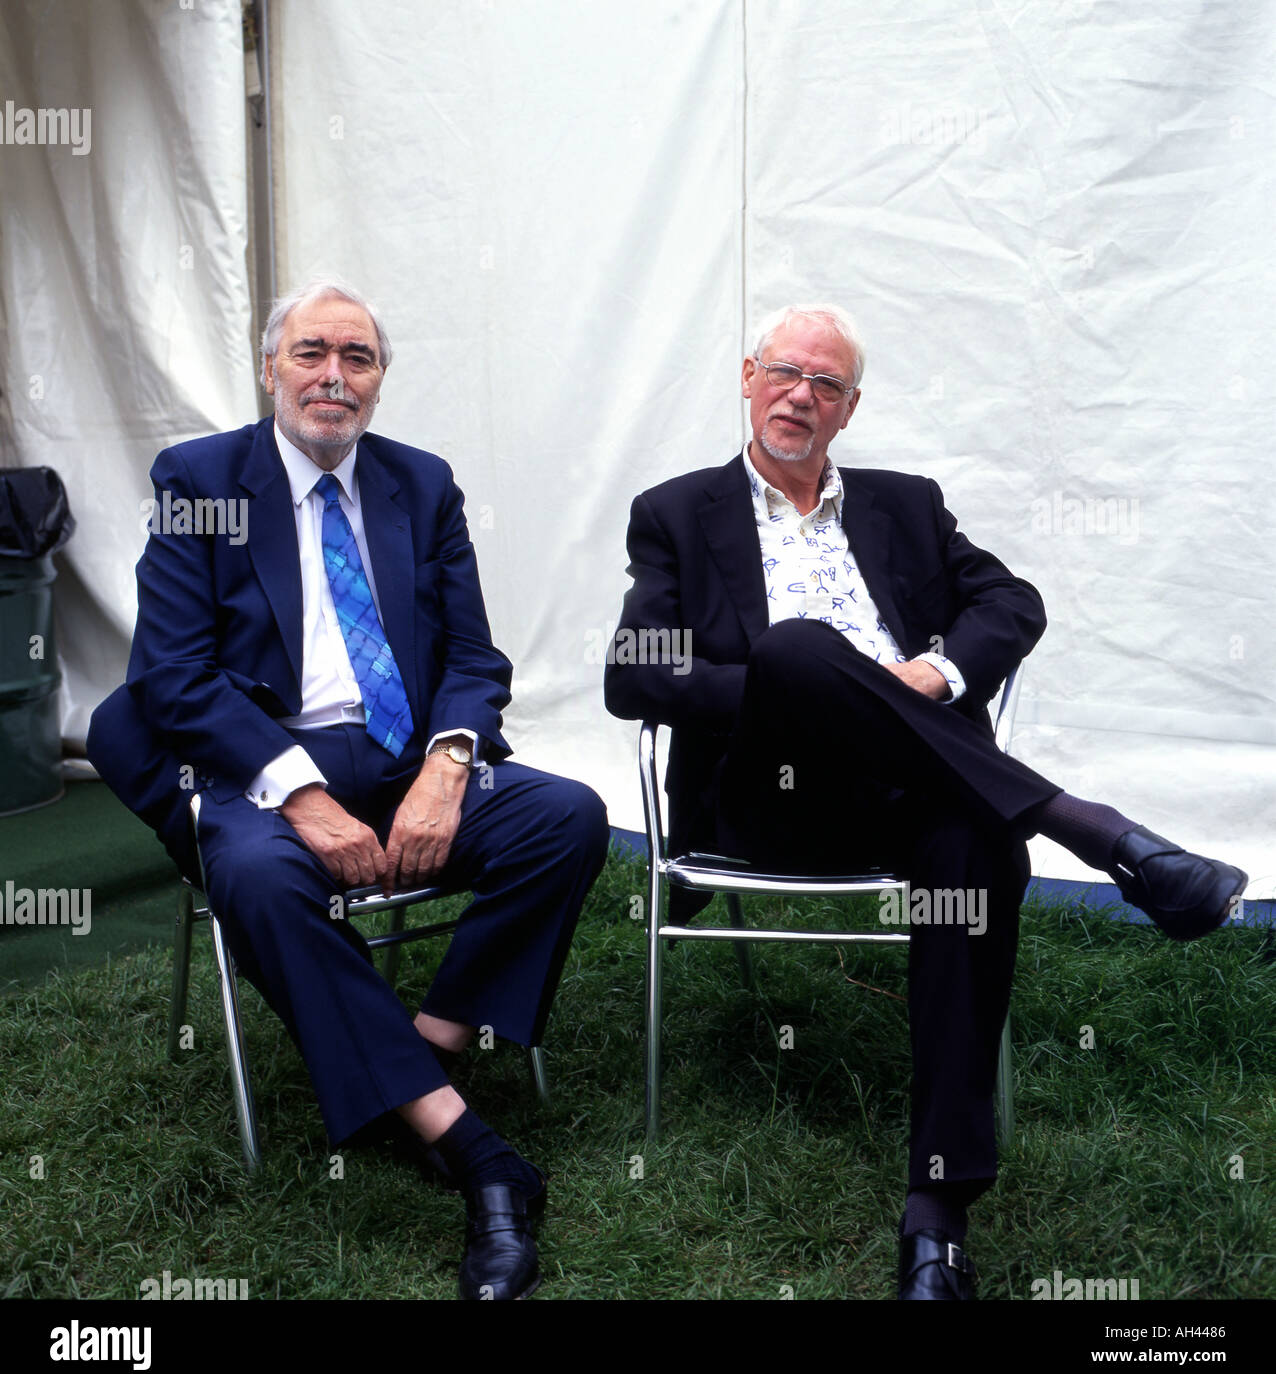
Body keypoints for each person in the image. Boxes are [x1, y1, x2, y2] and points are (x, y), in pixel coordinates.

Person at [603, 302, 1247, 1300]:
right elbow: (634, 671)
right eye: (783, 373)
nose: (798, 395)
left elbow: (1011, 603)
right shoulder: (677, 511)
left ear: (848, 408)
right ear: (746, 376)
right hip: (771, 797)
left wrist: (934, 676)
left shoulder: (905, 504)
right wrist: (794, 688)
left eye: (824, 384)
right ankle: (1095, 829)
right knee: (798, 646)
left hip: (912, 787)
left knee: (972, 847)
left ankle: (936, 1216)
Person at [88, 279, 609, 1301]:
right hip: (260, 763)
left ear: (378, 379)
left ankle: (429, 1045)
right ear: (270, 366)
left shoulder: (422, 482)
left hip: (403, 754)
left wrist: (448, 764)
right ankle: (473, 1154)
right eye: (312, 353)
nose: (334, 376)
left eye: (358, 358)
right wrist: (295, 792)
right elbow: (174, 674)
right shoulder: (201, 475)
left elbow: (472, 653)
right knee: (258, 874)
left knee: (567, 817)